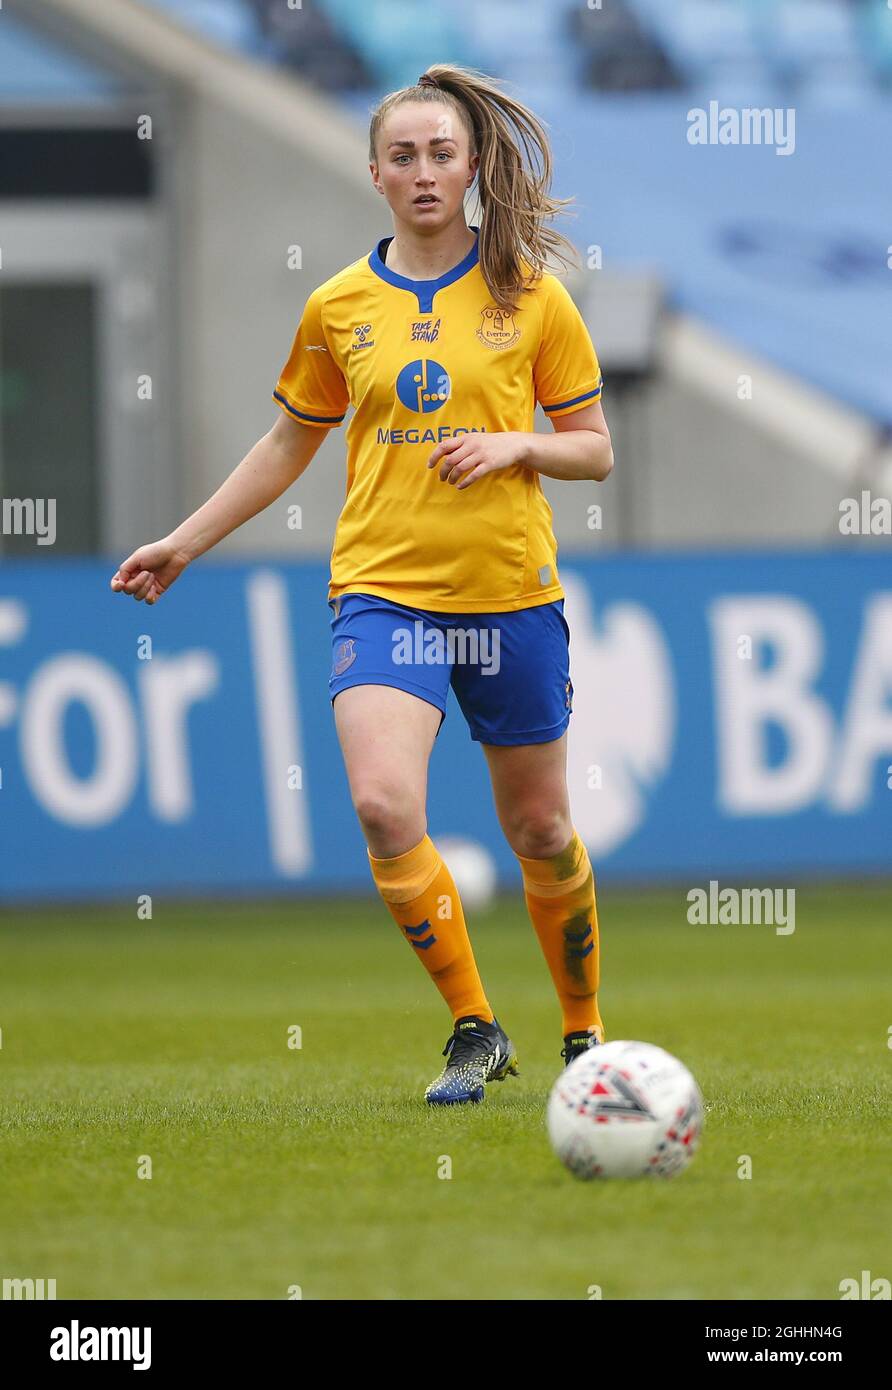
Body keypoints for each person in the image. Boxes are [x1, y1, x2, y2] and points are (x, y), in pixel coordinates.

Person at [110, 63, 614, 1106]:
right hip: (384, 592)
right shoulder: (338, 304)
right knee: (385, 807)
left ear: (472, 164)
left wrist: (516, 444)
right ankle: (475, 1029)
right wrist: (184, 541)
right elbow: (288, 445)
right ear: (374, 173)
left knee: (541, 832)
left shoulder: (530, 294)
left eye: (441, 153)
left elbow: (594, 451)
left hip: (511, 595)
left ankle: (583, 1033)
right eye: (403, 156)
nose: (423, 172)